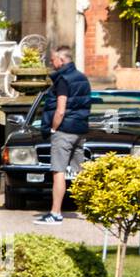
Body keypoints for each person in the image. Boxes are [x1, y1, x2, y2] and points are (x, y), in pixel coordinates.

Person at [35, 45, 92, 225]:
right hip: (80, 129)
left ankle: (55, 213)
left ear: (62, 60)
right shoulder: (83, 78)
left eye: (53, 60)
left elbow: (60, 110)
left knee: (58, 171)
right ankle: (94, 209)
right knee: (81, 171)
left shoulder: (63, 80)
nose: (51, 63)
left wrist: (53, 128)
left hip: (64, 130)